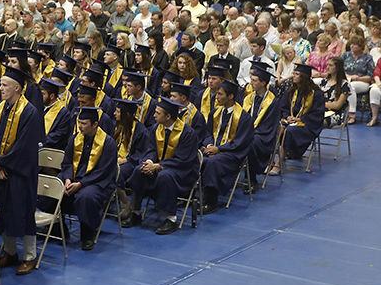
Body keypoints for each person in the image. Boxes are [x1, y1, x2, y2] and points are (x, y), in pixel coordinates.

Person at [0, 66, 43, 275]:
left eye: (4, 85)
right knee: (3, 211)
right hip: (1, 171)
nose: (0, 88)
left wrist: (3, 164)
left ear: (17, 88)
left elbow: (25, 146)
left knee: (23, 213)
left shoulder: (29, 112)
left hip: (21, 173)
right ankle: (10, 252)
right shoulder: (0, 107)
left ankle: (29, 256)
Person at [122, 97, 199, 234]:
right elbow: (150, 150)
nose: (154, 115)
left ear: (168, 116)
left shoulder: (187, 134)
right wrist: (150, 162)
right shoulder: (155, 129)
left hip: (182, 172)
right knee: (139, 170)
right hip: (159, 167)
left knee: (165, 176)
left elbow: (183, 160)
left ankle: (171, 218)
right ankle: (136, 212)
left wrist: (158, 166)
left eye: (157, 113)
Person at [59, 106, 118, 250]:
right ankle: (57, 228)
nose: (80, 126)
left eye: (84, 123)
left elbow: (103, 171)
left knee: (86, 197)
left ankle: (87, 234)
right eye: (79, 122)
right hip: (74, 178)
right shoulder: (75, 139)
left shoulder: (108, 143)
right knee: (52, 187)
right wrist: (67, 178)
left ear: (95, 124)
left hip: (98, 182)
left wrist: (81, 183)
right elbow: (66, 162)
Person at [199, 80, 254, 213]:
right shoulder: (215, 113)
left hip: (232, 153)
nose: (216, 97)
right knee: (192, 156)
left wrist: (219, 149)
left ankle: (211, 201)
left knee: (212, 163)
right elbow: (207, 134)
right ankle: (186, 195)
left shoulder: (244, 117)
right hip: (213, 149)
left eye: (220, 94)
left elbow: (240, 142)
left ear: (231, 96)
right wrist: (210, 145)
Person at [267, 62, 326, 176]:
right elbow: (282, 107)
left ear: (304, 77)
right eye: (294, 73)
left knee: (288, 131)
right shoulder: (291, 91)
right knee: (277, 127)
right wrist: (287, 117)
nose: (293, 76)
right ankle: (270, 161)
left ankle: (279, 163)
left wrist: (300, 119)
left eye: (297, 74)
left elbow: (318, 114)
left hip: (308, 125)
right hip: (290, 121)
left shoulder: (316, 94)